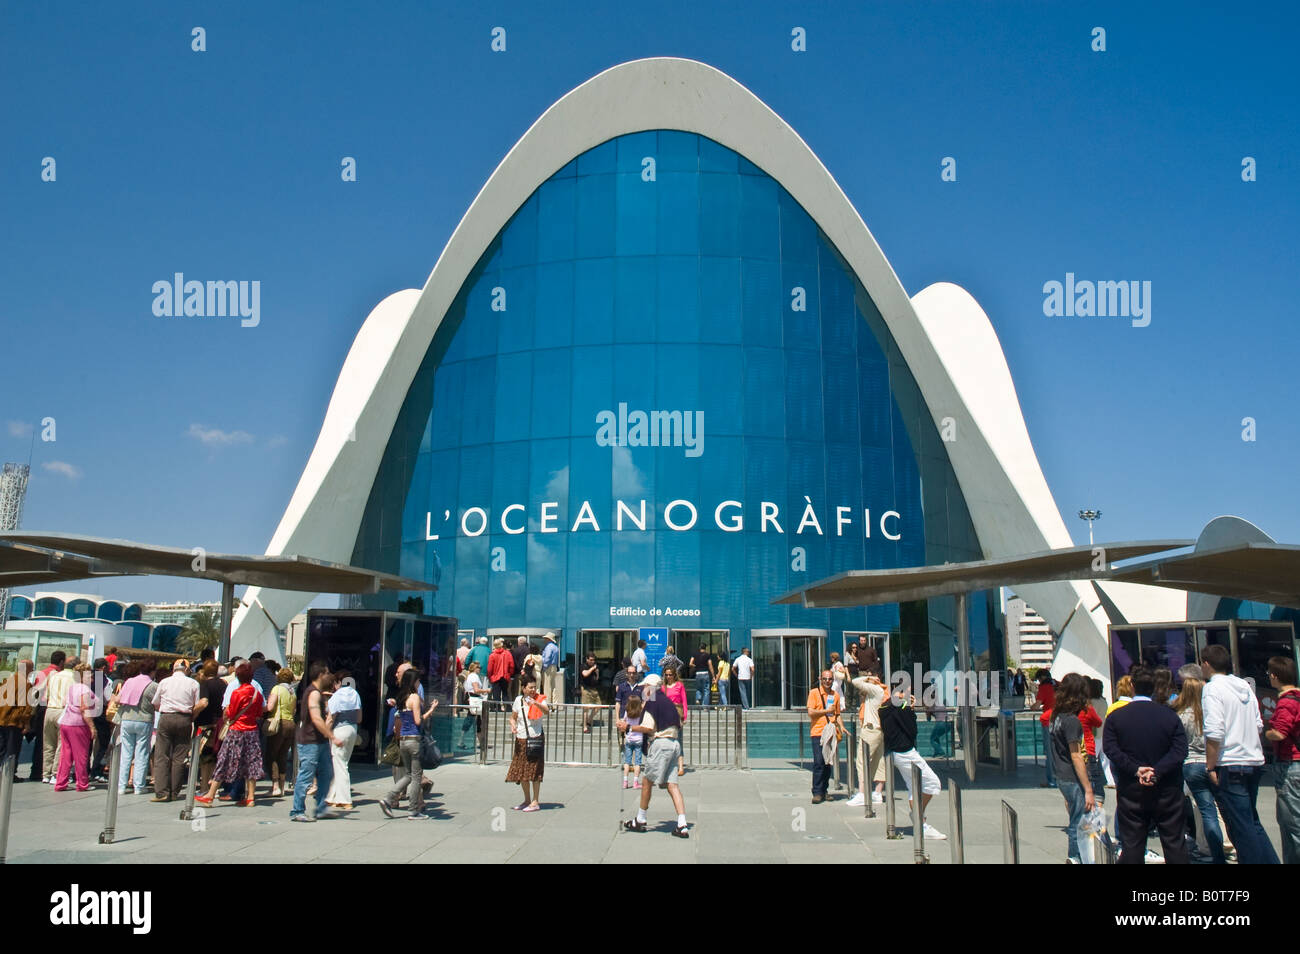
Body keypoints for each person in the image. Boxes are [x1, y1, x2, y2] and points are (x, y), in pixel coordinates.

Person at [1201, 644, 1280, 864]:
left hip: (1230, 762)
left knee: (1241, 827)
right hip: (1253, 759)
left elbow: (1214, 731)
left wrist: (1210, 766)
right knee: (1251, 822)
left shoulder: (1212, 688)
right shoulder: (1243, 686)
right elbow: (1257, 724)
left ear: (1206, 664)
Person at [1102, 665, 1189, 864]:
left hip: (1132, 789)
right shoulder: (1169, 716)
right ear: (1155, 688)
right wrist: (1157, 770)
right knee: (1174, 842)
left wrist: (1135, 769)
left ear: (1131, 686)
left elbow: (1111, 749)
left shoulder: (1117, 717)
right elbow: (1180, 750)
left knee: (1132, 844)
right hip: (1166, 788)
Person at [619, 674, 689, 837]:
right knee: (672, 785)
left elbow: (649, 727)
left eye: (644, 688)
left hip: (661, 744)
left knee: (647, 781)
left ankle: (640, 819)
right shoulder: (668, 702)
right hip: (674, 744)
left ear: (651, 688)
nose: (643, 690)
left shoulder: (652, 702)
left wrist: (628, 727)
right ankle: (682, 823)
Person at [879, 682, 945, 839]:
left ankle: (919, 820)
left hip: (893, 752)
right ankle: (918, 818)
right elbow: (912, 730)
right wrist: (911, 709)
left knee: (912, 787)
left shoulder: (884, 706)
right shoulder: (903, 707)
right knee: (933, 783)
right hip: (906, 751)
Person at [1173, 663, 1225, 863]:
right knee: (1221, 807)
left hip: (1192, 764)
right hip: (1214, 760)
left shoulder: (1182, 715)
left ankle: (1207, 848)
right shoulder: (1211, 710)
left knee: (1203, 810)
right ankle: (1227, 843)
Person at [196, 662, 266, 807]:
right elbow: (260, 713)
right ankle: (250, 797)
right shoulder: (256, 693)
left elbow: (229, 713)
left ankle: (210, 794)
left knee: (224, 760)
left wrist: (228, 713)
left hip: (237, 731)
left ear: (238, 677)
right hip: (252, 731)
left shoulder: (237, 692)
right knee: (251, 763)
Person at [1048, 674, 1098, 862]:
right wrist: (1088, 789)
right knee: (1079, 821)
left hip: (1061, 774)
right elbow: (1076, 755)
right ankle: (1076, 857)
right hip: (1072, 776)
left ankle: (1077, 856)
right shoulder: (1071, 721)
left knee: (1077, 817)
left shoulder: (1056, 717)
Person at [379, 668, 439, 820]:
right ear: (414, 681)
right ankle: (413, 810)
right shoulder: (414, 698)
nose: (419, 683)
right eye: (418, 680)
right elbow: (418, 720)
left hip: (403, 740)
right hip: (414, 739)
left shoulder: (401, 697)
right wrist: (430, 710)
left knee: (408, 774)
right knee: (416, 776)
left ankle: (389, 798)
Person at [1264, 655, 1299, 864]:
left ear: (1275, 676)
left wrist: (1267, 733)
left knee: (1292, 823)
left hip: (1290, 764)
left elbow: (1280, 733)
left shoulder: (1286, 702)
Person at [291, 662, 337, 823]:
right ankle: (297, 810)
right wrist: (332, 736)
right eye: (327, 673)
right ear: (320, 675)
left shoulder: (318, 693)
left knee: (327, 773)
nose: (330, 676)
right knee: (306, 776)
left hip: (319, 741)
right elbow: (316, 719)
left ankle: (321, 808)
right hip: (310, 741)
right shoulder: (313, 694)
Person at [150, 659, 198, 802]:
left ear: (174, 669)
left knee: (161, 755)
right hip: (184, 718)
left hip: (166, 717)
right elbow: (197, 703)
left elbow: (155, 703)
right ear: (187, 670)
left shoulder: (164, 682)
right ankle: (174, 791)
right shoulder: (193, 683)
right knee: (179, 757)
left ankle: (161, 792)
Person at [114, 660, 159, 796]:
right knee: (142, 753)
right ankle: (138, 786)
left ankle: (121, 786)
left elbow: (118, 699)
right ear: (152, 671)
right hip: (144, 720)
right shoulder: (153, 685)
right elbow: (157, 704)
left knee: (126, 753)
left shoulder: (129, 681)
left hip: (127, 719)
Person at [505, 676, 549, 812]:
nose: (533, 689)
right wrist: (513, 726)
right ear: (523, 688)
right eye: (530, 687)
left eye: (535, 687)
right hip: (521, 738)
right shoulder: (518, 700)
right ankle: (527, 800)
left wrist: (535, 703)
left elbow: (547, 711)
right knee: (522, 771)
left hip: (535, 738)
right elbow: (512, 718)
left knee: (535, 771)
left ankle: (535, 801)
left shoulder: (540, 699)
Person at [52, 664, 97, 792]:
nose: (92, 677)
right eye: (89, 674)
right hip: (78, 724)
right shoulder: (85, 690)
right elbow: (84, 709)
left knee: (66, 755)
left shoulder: (72, 688)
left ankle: (61, 782)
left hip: (66, 722)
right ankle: (82, 783)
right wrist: (92, 727)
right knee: (81, 755)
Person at [847, 672, 886, 806]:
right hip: (879, 729)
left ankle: (862, 793)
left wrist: (867, 678)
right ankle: (878, 792)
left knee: (862, 761)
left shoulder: (875, 689)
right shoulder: (882, 691)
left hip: (870, 729)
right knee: (879, 761)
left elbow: (855, 681)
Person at [326, 669, 362, 810]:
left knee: (340, 764)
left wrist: (326, 733)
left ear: (337, 682)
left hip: (339, 730)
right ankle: (332, 796)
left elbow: (330, 718)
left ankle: (345, 799)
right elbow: (359, 718)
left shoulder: (336, 696)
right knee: (342, 762)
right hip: (352, 729)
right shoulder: (355, 694)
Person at [27, 650, 65, 781]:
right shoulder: (58, 675)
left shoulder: (42, 672)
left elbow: (34, 692)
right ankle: (51, 773)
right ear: (61, 662)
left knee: (41, 741)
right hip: (52, 707)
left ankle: (37, 771)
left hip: (40, 709)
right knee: (54, 743)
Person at [807, 670, 842, 804]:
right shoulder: (814, 693)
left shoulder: (835, 695)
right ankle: (816, 792)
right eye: (825, 679)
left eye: (830, 679)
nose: (827, 681)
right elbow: (811, 712)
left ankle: (824, 790)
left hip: (830, 732)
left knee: (827, 763)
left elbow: (837, 714)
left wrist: (841, 727)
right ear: (820, 679)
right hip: (818, 732)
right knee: (819, 762)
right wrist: (826, 711)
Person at [41, 656, 76, 783]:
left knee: (48, 744)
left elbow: (46, 696)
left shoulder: (53, 676)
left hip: (50, 709)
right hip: (63, 710)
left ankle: (46, 774)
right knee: (62, 744)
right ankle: (56, 773)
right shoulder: (75, 678)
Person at [192, 660, 226, 790]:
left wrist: (193, 713)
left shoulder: (205, 684)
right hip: (219, 723)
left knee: (205, 757)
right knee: (216, 755)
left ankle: (204, 786)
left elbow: (204, 702)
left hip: (205, 723)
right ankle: (214, 786)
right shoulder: (223, 684)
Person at [264, 668, 297, 797]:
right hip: (290, 724)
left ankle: (275, 785)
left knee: (272, 754)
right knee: (282, 755)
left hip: (279, 724)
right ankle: (282, 786)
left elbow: (270, 706)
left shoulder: (277, 689)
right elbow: (294, 711)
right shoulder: (292, 692)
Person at [0, 659, 34, 782]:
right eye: (32, 668)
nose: (33, 671)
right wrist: (26, 724)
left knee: (2, 748)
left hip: (2, 719)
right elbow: (26, 707)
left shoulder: (7, 680)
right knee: (12, 749)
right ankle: (9, 775)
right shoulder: (25, 684)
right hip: (14, 721)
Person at [1032, 669, 1056, 788]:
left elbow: (1037, 705)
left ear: (1041, 678)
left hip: (1049, 720)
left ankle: (1051, 780)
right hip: (1062, 719)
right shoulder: (1058, 684)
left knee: (1050, 752)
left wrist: (1032, 707)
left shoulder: (1044, 687)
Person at [663, 665, 687, 775]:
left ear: (674, 675)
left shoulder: (679, 685)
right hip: (666, 715)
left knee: (678, 740)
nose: (668, 677)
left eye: (670, 675)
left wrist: (685, 717)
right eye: (666, 675)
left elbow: (684, 701)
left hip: (677, 713)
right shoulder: (663, 687)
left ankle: (680, 766)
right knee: (667, 741)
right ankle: (667, 765)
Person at [459, 660, 488, 749]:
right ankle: (462, 741)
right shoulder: (474, 676)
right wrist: (487, 690)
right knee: (473, 720)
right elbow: (476, 690)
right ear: (475, 668)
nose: (480, 669)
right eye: (479, 667)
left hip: (472, 699)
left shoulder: (470, 676)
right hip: (474, 699)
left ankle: (480, 742)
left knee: (474, 719)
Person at [622, 694, 645, 789]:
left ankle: (625, 781)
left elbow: (624, 721)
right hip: (639, 738)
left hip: (629, 738)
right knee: (637, 762)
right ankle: (636, 782)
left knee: (627, 761)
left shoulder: (627, 712)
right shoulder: (641, 713)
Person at [487, 638, 515, 702]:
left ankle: (497, 709)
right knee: (505, 693)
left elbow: (489, 669)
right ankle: (507, 709)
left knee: (496, 694)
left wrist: (490, 677)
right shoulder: (507, 653)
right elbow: (512, 666)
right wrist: (510, 674)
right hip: (505, 676)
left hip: (495, 677)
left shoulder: (492, 655)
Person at [579, 652, 601, 733]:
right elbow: (585, 674)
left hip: (594, 688)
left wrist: (597, 673)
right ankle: (585, 726)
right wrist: (592, 669)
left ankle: (589, 720)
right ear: (587, 659)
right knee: (586, 708)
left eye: (593, 660)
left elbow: (597, 678)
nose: (592, 662)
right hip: (586, 688)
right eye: (591, 660)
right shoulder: (583, 666)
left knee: (598, 706)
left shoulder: (595, 667)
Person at [541, 632, 561, 703]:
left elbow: (547, 658)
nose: (544, 640)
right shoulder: (556, 647)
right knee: (553, 686)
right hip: (554, 667)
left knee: (547, 687)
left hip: (548, 667)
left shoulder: (548, 647)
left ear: (548, 639)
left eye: (545, 638)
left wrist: (544, 667)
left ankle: (547, 704)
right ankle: (554, 704)